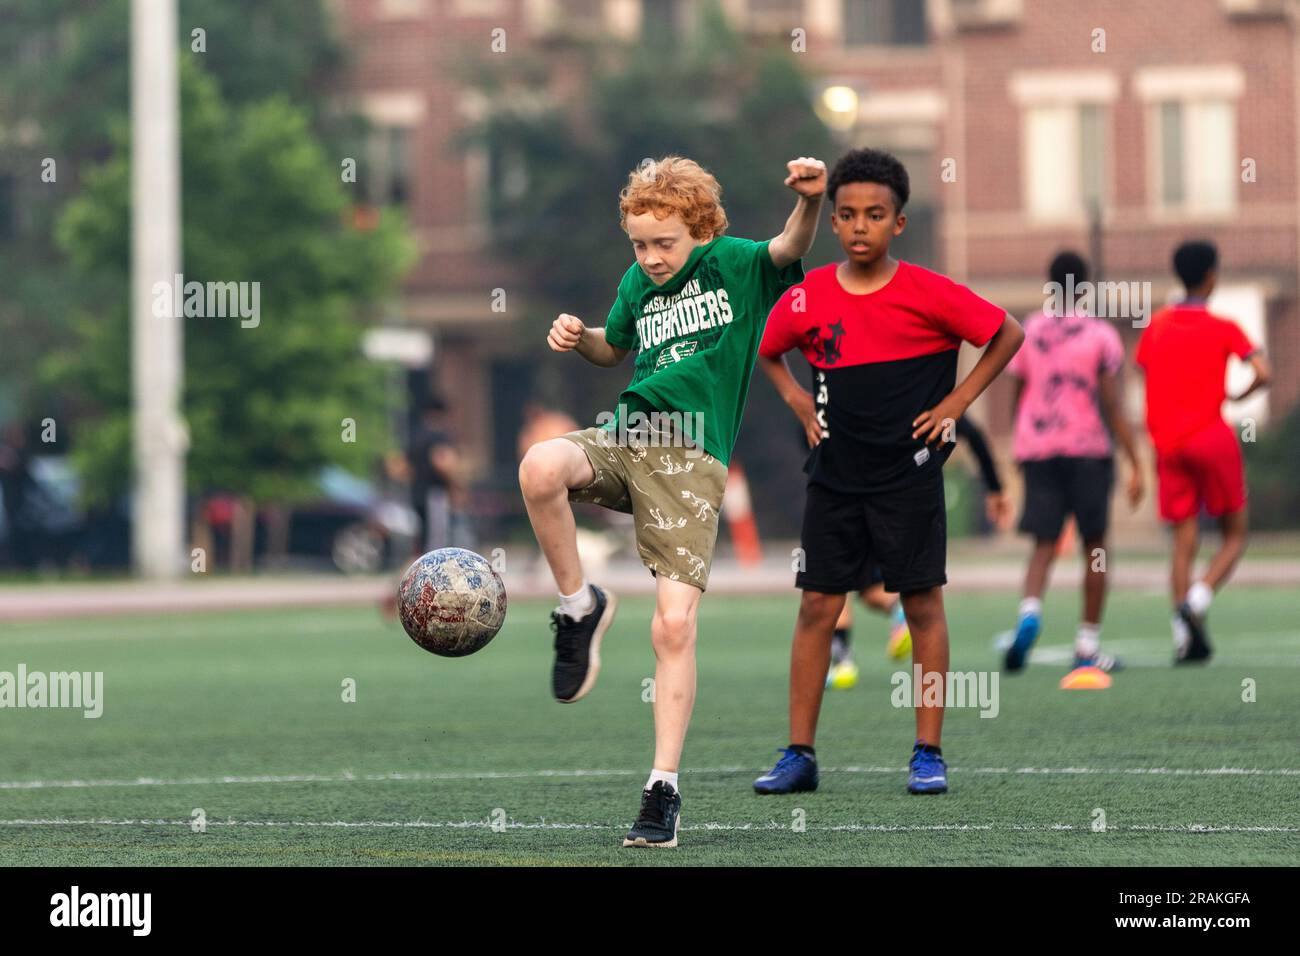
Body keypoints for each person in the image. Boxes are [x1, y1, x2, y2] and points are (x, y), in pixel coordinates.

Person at [517, 154, 821, 846]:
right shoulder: (635, 281)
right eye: (639, 244)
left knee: (672, 628)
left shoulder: (737, 265)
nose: (650, 258)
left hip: (690, 461)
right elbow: (612, 350)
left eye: (664, 244)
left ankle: (662, 790)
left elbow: (792, 246)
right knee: (540, 467)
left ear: (701, 231)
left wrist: (812, 199)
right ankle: (578, 605)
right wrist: (580, 338)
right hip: (629, 437)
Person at [752, 147, 1023, 797]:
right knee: (818, 604)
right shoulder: (808, 296)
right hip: (834, 478)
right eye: (846, 215)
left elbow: (1007, 333)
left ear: (898, 222)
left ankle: (927, 753)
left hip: (909, 477)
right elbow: (768, 352)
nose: (859, 226)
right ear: (836, 222)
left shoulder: (930, 293)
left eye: (875, 214)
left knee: (922, 604)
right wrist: (796, 400)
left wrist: (957, 402)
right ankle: (799, 754)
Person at [1003, 251, 1144, 674]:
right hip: (1087, 451)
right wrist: (1135, 459)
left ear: (1050, 285)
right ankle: (1087, 644)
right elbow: (1112, 403)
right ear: (1085, 287)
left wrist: (1019, 440)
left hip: (1039, 449)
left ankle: (1029, 612)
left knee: (1044, 543)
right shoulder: (1101, 335)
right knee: (1095, 546)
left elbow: (1017, 390)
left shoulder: (1029, 328)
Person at [1135, 240, 1271, 664]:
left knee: (1183, 540)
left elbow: (1145, 370)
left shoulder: (1155, 326)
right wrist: (1237, 393)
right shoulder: (1225, 326)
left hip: (1168, 444)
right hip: (1212, 437)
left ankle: (1183, 638)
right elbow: (1262, 372)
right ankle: (1196, 601)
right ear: (1211, 276)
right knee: (1234, 534)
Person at [822, 416, 1009, 690]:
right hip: (906, 499)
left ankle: (841, 659)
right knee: (868, 588)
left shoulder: (881, 395)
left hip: (862, 490)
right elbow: (969, 432)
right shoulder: (930, 398)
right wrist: (993, 487)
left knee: (835, 574)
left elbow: (814, 434)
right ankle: (897, 611)